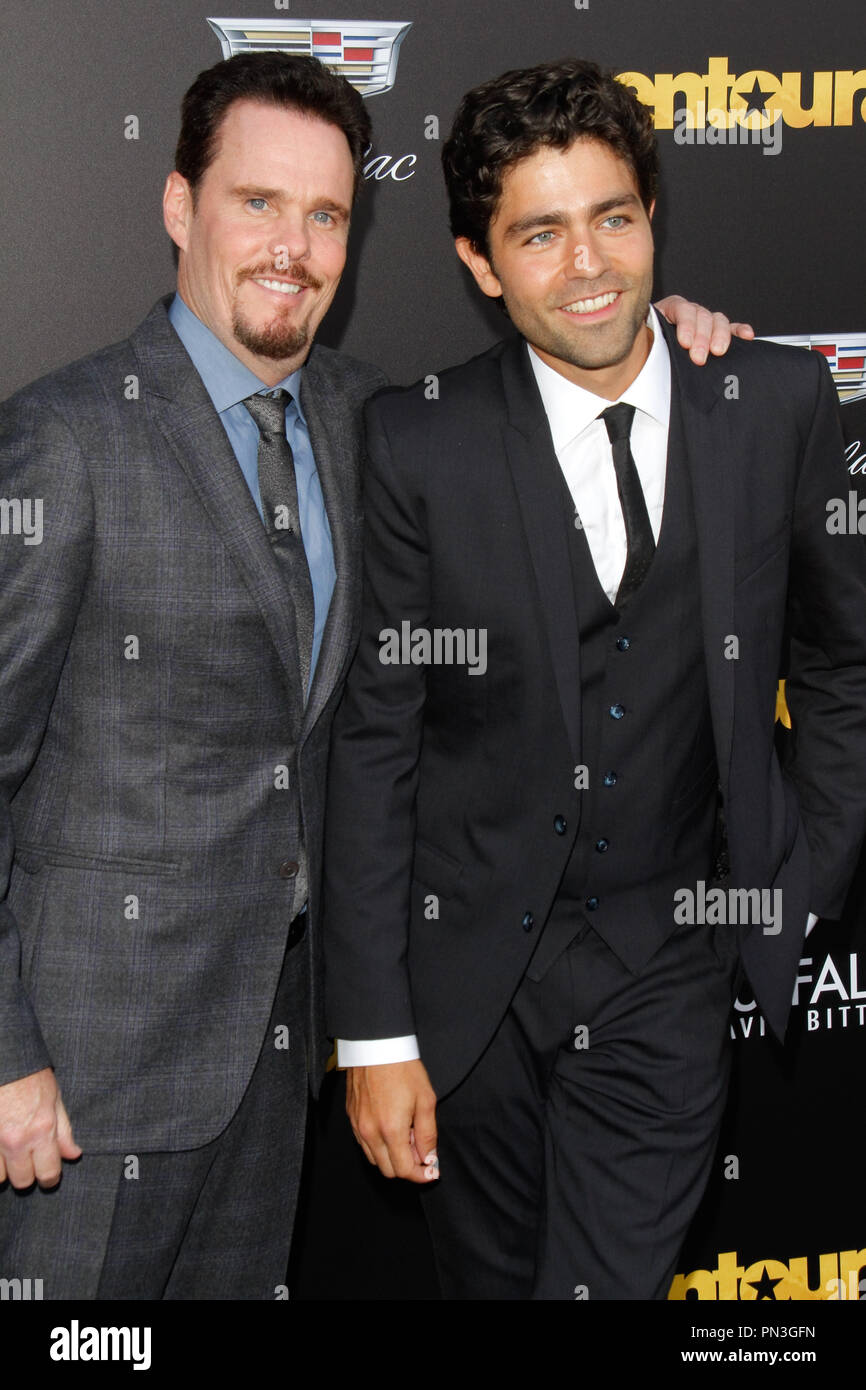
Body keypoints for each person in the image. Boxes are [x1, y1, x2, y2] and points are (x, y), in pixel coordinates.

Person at [0, 46, 745, 1299]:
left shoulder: (372, 423)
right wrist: (7, 1052)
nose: (293, 244)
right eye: (256, 202)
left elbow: (565, 377)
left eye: (327, 213)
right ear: (180, 206)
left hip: (279, 1069)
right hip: (84, 1084)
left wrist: (657, 338)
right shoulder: (64, 443)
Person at [322, 58, 866, 1300]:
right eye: (540, 233)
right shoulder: (419, 439)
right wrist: (375, 1030)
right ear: (478, 262)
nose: (587, 266)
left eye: (612, 218)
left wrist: (795, 884)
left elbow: (841, 664)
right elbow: (377, 739)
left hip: (671, 958)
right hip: (463, 986)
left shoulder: (770, 399)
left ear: (652, 218)